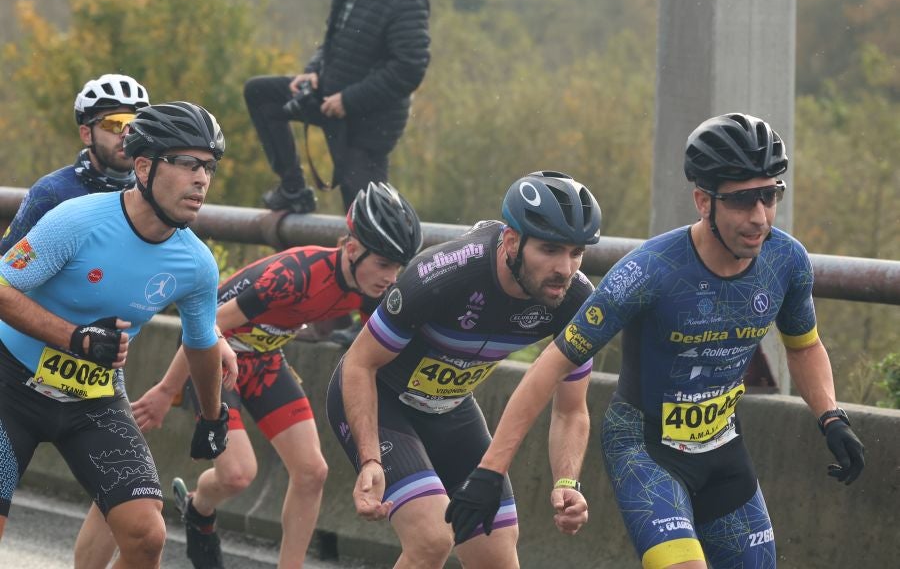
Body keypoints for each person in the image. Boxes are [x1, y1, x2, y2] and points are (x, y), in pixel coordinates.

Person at [446, 113, 867, 569]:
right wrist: (491, 470)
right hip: (646, 453)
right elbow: (551, 365)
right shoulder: (648, 271)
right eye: (743, 201)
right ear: (703, 201)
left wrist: (831, 416)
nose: (760, 217)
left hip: (723, 449)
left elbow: (803, 346)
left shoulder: (787, 260)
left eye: (770, 196)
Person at [128, 182, 423, 569]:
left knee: (313, 471)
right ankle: (200, 508)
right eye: (384, 264)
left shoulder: (371, 290)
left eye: (398, 267)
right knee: (237, 475)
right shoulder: (293, 276)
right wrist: (168, 389)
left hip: (264, 359)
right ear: (351, 248)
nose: (390, 277)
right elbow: (205, 324)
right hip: (214, 357)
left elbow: (377, 359)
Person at [326, 171, 602, 569]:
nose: (565, 267)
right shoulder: (443, 273)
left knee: (497, 555)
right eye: (550, 249)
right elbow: (359, 362)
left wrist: (566, 482)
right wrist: (370, 458)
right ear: (511, 241)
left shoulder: (575, 300)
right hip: (384, 400)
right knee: (431, 539)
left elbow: (571, 408)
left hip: (450, 410)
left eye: (577, 253)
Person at [0, 101, 231, 569]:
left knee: (146, 535)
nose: (201, 179)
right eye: (187, 163)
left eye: (208, 167)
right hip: (10, 386)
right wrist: (75, 339)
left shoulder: (196, 263)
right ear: (143, 166)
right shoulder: (76, 220)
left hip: (93, 399)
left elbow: (202, 343)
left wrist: (212, 416)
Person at [244, 0, 430, 214]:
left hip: (370, 122)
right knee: (261, 95)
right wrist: (313, 71)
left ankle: (370, 244)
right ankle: (293, 191)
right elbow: (334, 41)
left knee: (365, 218)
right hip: (328, 97)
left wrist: (349, 100)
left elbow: (410, 68)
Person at [0, 73, 150, 254]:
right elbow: (5, 266)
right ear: (87, 134)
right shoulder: (51, 192)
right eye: (114, 123)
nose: (126, 133)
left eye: (135, 124)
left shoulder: (153, 192)